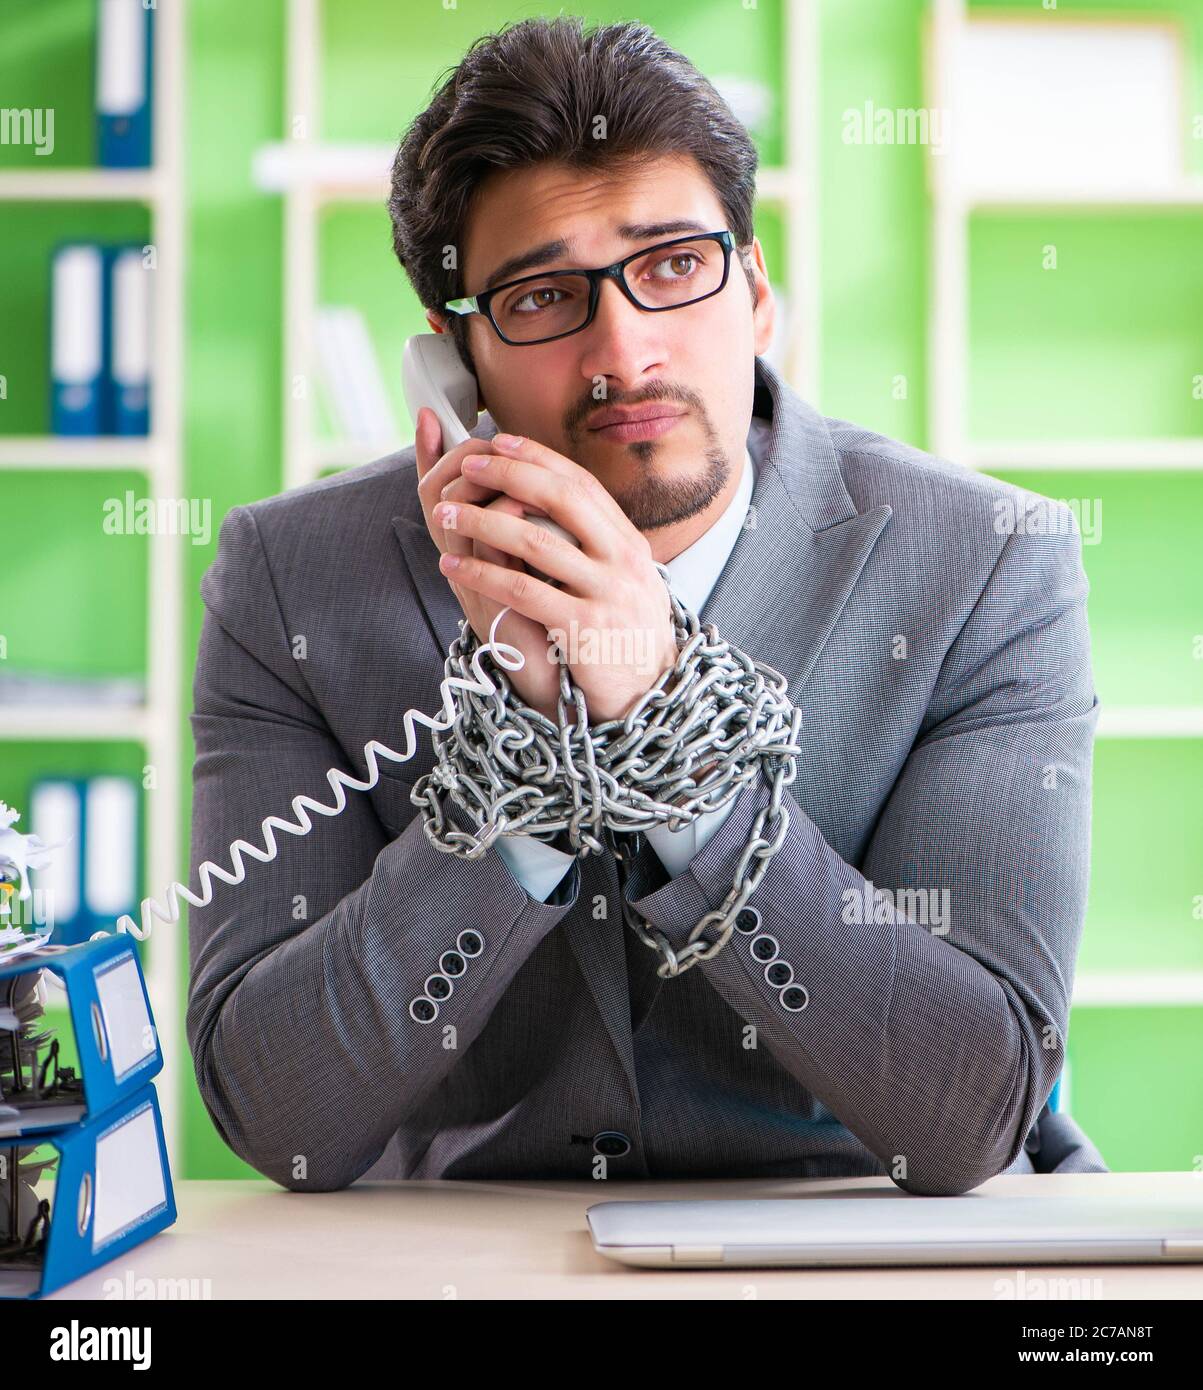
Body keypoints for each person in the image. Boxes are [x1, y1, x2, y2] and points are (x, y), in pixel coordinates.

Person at [186, 16, 1105, 1193]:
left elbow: (968, 1110)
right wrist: (520, 761)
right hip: (483, 1262)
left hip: (866, 1247)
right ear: (453, 357)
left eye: (675, 265)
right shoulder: (289, 578)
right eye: (542, 296)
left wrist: (665, 725)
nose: (626, 351)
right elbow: (278, 1114)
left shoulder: (987, 565)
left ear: (757, 289)